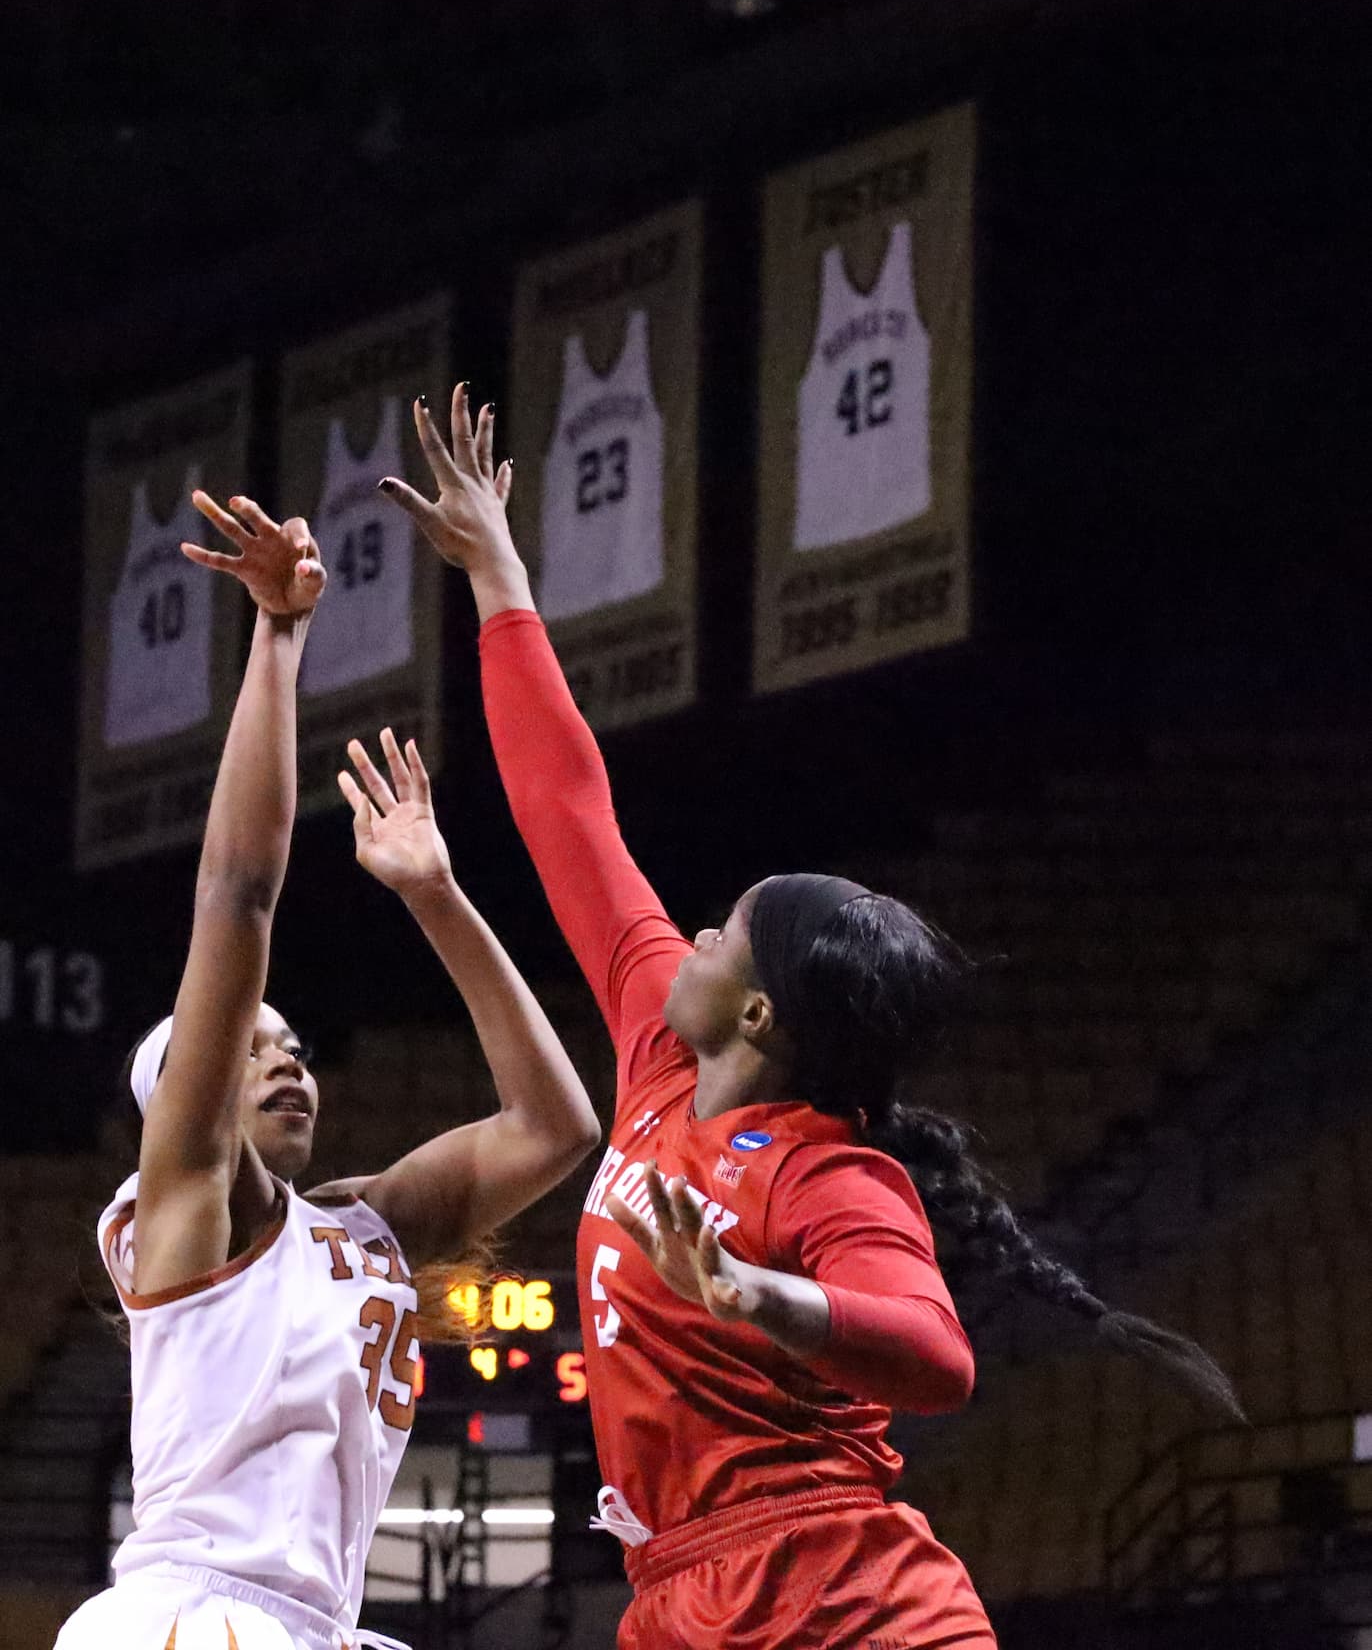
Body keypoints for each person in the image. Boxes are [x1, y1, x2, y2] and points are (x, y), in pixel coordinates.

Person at [378, 386, 1243, 1650]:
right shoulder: (662, 1052)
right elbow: (571, 811)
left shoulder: (831, 1176)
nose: (695, 933)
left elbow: (936, 1360)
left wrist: (749, 1291)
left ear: (766, 1011)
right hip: (684, 1595)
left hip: (845, 1597)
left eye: (721, 931)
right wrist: (499, 578)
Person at [57, 490, 600, 1650]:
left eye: (294, 1046)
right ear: (182, 1103)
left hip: (319, 1625)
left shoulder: (362, 1229)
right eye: (248, 1046)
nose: (284, 1059)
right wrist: (278, 639)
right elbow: (237, 895)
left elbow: (555, 1124)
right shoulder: (189, 1206)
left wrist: (437, 897)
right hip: (192, 1619)